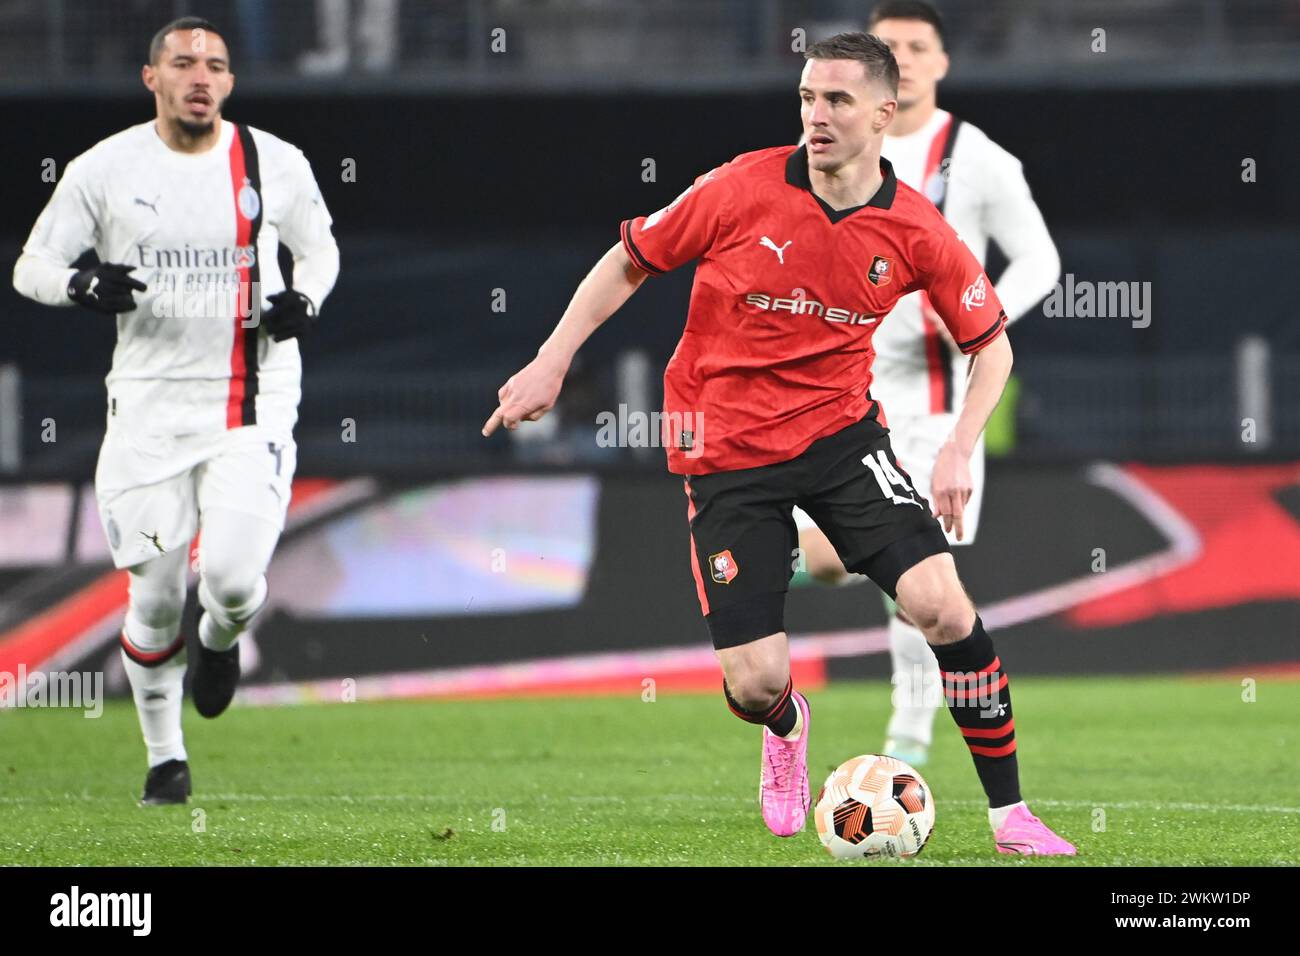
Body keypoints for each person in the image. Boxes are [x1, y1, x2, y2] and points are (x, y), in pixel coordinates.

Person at [483, 32, 1074, 854]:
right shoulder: (739, 186)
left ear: (883, 113)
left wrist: (955, 447)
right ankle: (787, 726)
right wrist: (552, 360)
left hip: (841, 438)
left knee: (942, 604)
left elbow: (992, 341)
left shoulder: (915, 228)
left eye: (836, 100)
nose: (816, 116)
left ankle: (1010, 815)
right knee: (755, 681)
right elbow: (630, 260)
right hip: (723, 446)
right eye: (806, 98)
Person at [13, 17, 339, 805]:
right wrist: (83, 286)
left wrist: (305, 298)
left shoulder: (273, 162)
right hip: (149, 416)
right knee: (154, 597)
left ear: (230, 82)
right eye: (183, 62)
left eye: (217, 65)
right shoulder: (105, 168)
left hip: (251, 404)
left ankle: (221, 640)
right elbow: (33, 266)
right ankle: (166, 759)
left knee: (229, 580)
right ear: (150, 77)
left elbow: (321, 248)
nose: (202, 75)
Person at [794, 1, 1061, 770]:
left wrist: (985, 314)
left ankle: (904, 747)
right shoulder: (832, 150)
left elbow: (1040, 259)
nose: (904, 57)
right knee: (825, 561)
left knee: (918, 588)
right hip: (844, 395)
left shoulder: (976, 159)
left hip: (941, 407)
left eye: (919, 45)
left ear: (943, 62)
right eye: (892, 45)